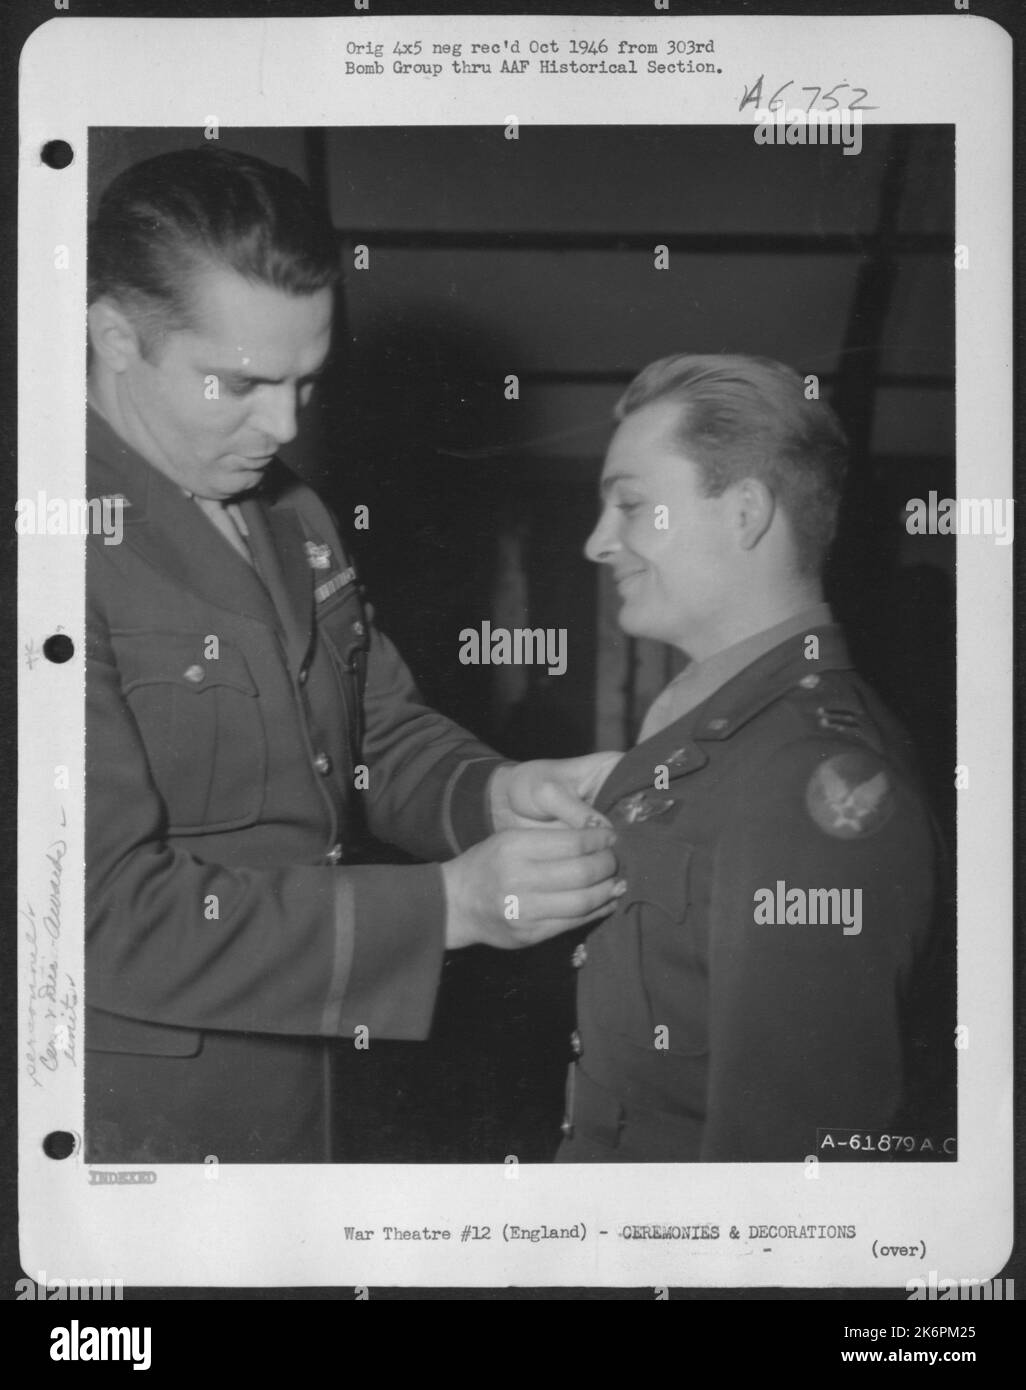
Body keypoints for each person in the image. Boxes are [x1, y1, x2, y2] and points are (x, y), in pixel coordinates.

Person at [84, 146, 622, 1164]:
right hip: (152, 1127)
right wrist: (449, 906)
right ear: (115, 336)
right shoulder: (53, 549)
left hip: (324, 1093)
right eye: (239, 383)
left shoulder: (292, 513)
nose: (282, 425)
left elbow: (373, 727)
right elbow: (104, 918)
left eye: (306, 381)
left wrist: (500, 794)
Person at [557, 353, 950, 1163]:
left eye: (630, 506)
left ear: (744, 514)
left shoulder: (811, 781)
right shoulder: (720, 731)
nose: (599, 542)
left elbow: (782, 1198)